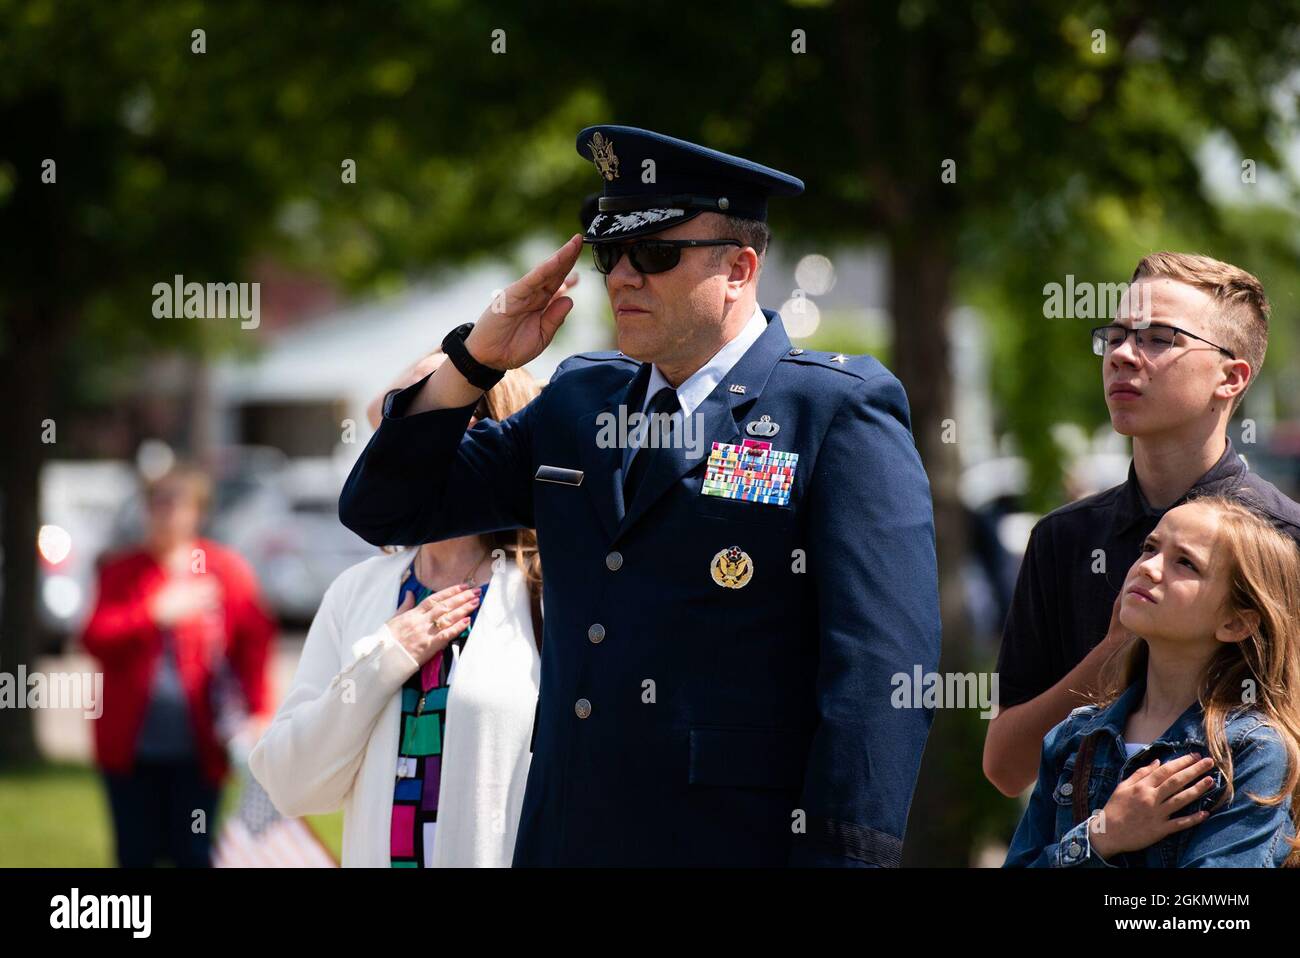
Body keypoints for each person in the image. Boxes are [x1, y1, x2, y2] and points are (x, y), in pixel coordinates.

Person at [338, 124, 942, 867]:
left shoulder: (832, 411)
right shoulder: (578, 400)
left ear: (739, 268)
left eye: (654, 255)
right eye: (609, 254)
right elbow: (385, 509)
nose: (623, 277)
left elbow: (876, 682)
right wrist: (473, 360)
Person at [984, 253, 1300, 798]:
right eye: (1116, 335)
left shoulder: (1283, 541)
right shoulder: (1063, 540)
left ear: (1231, 376)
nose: (1123, 356)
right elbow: (1007, 767)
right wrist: (1113, 652)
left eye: (1159, 338)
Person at [250, 356, 543, 867]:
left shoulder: (545, 591)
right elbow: (290, 784)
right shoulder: (357, 592)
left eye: (416, 419)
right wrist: (384, 658)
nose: (393, 449)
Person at [1004, 496, 1300, 867]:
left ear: (1235, 623)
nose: (1149, 568)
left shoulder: (1251, 751)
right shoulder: (1074, 736)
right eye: (1150, 548)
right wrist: (1102, 835)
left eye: (1185, 563)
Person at [81, 462, 275, 867]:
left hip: (201, 748)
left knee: (194, 853)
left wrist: (259, 711)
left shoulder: (223, 568)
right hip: (130, 748)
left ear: (196, 511)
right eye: (158, 503)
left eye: (177, 503)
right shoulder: (122, 570)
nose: (166, 513)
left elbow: (254, 641)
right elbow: (95, 638)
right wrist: (152, 614)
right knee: (135, 854)